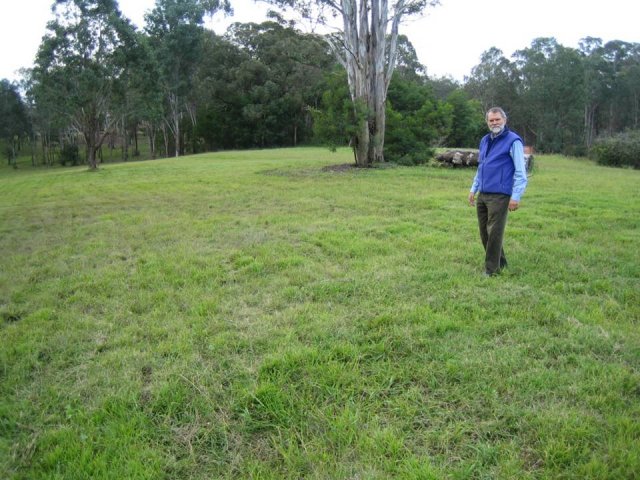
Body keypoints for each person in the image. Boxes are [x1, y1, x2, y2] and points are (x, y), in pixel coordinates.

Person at [468, 107, 528, 276]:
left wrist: (515, 196)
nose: (494, 123)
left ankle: (491, 270)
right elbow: (482, 167)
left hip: (500, 195)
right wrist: (474, 188)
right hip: (484, 193)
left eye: (497, 120)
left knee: (494, 232)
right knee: (484, 232)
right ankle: (501, 262)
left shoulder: (513, 141)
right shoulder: (485, 140)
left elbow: (520, 172)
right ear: (487, 122)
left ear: (504, 120)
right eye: (491, 120)